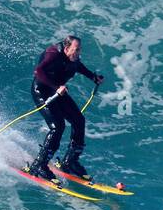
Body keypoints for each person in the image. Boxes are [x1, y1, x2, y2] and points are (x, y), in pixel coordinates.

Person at [24, 34, 104, 182]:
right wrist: (56, 87)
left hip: (58, 91)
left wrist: (93, 77)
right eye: (76, 49)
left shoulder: (73, 57)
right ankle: (39, 166)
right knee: (57, 127)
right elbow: (38, 71)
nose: (79, 53)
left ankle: (70, 162)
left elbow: (78, 66)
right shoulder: (53, 55)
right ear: (67, 48)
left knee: (79, 120)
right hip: (42, 91)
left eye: (79, 50)